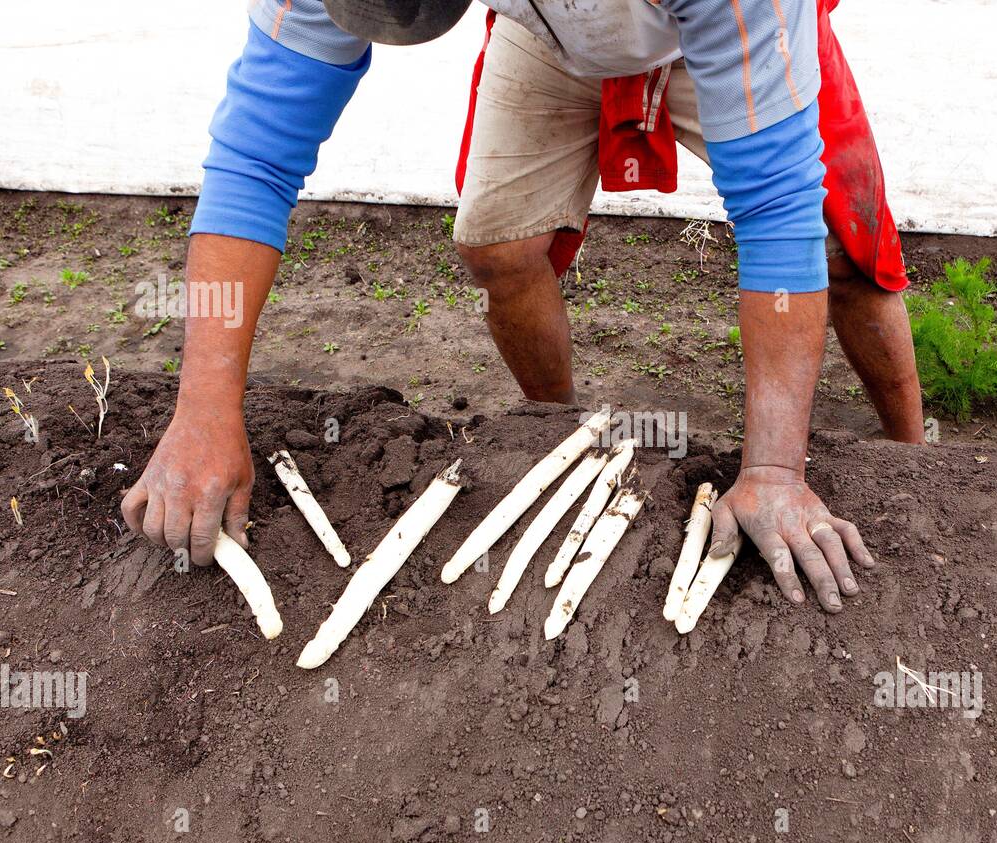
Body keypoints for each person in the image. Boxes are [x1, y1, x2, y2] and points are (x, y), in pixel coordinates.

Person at [123, 0, 924, 616]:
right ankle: (564, 433)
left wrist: (775, 470)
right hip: (551, 31)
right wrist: (202, 410)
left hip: (711, 24)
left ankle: (918, 463)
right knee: (497, 247)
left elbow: (775, 203)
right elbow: (254, 158)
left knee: (841, 252)